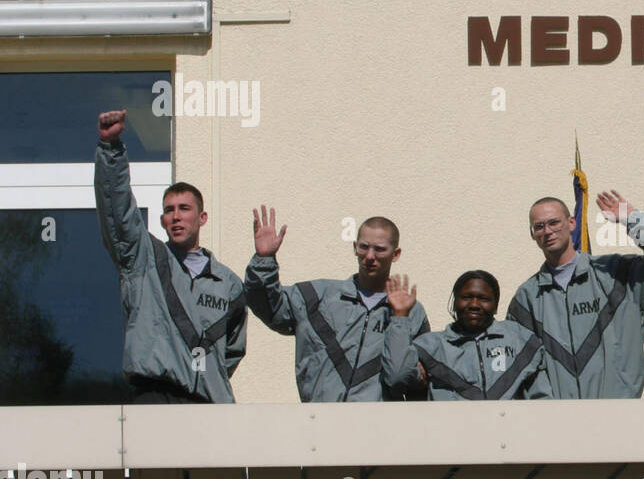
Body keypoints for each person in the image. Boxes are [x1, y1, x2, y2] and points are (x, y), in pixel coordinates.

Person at [94, 109, 246, 403]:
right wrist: (111, 150)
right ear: (163, 220)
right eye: (168, 210)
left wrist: (204, 375)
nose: (175, 217)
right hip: (154, 396)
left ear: (202, 218)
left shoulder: (228, 284)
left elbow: (232, 351)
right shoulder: (144, 259)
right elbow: (118, 212)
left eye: (184, 209)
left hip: (207, 404)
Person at [506, 190, 644, 398]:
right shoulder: (527, 299)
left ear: (571, 223)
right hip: (557, 423)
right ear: (532, 234)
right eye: (539, 226)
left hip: (619, 417)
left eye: (554, 222)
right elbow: (522, 367)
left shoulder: (618, 274)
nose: (547, 231)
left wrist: (634, 220)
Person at [244, 207, 430, 401]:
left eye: (380, 249)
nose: (369, 256)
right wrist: (264, 260)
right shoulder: (317, 296)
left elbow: (408, 382)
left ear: (396, 254)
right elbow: (268, 307)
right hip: (319, 421)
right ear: (354, 247)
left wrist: (399, 318)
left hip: (377, 427)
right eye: (364, 247)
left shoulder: (411, 312)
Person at [382, 271, 551, 400]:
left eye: (483, 298)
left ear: (496, 305)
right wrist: (400, 317)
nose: (474, 305)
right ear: (454, 302)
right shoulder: (430, 347)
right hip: (451, 440)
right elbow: (397, 378)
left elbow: (541, 401)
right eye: (466, 297)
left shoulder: (521, 341)